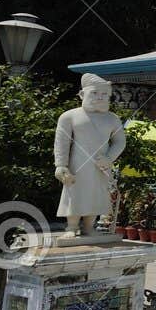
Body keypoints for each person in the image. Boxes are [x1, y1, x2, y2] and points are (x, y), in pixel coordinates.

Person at [54, 74, 128, 240]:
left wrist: (109, 158)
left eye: (104, 94)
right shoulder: (69, 116)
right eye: (95, 93)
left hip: (100, 165)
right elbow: (62, 142)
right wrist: (61, 165)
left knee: (96, 194)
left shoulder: (112, 119)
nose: (100, 97)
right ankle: (71, 226)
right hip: (76, 164)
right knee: (74, 193)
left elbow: (119, 142)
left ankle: (89, 227)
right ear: (82, 94)